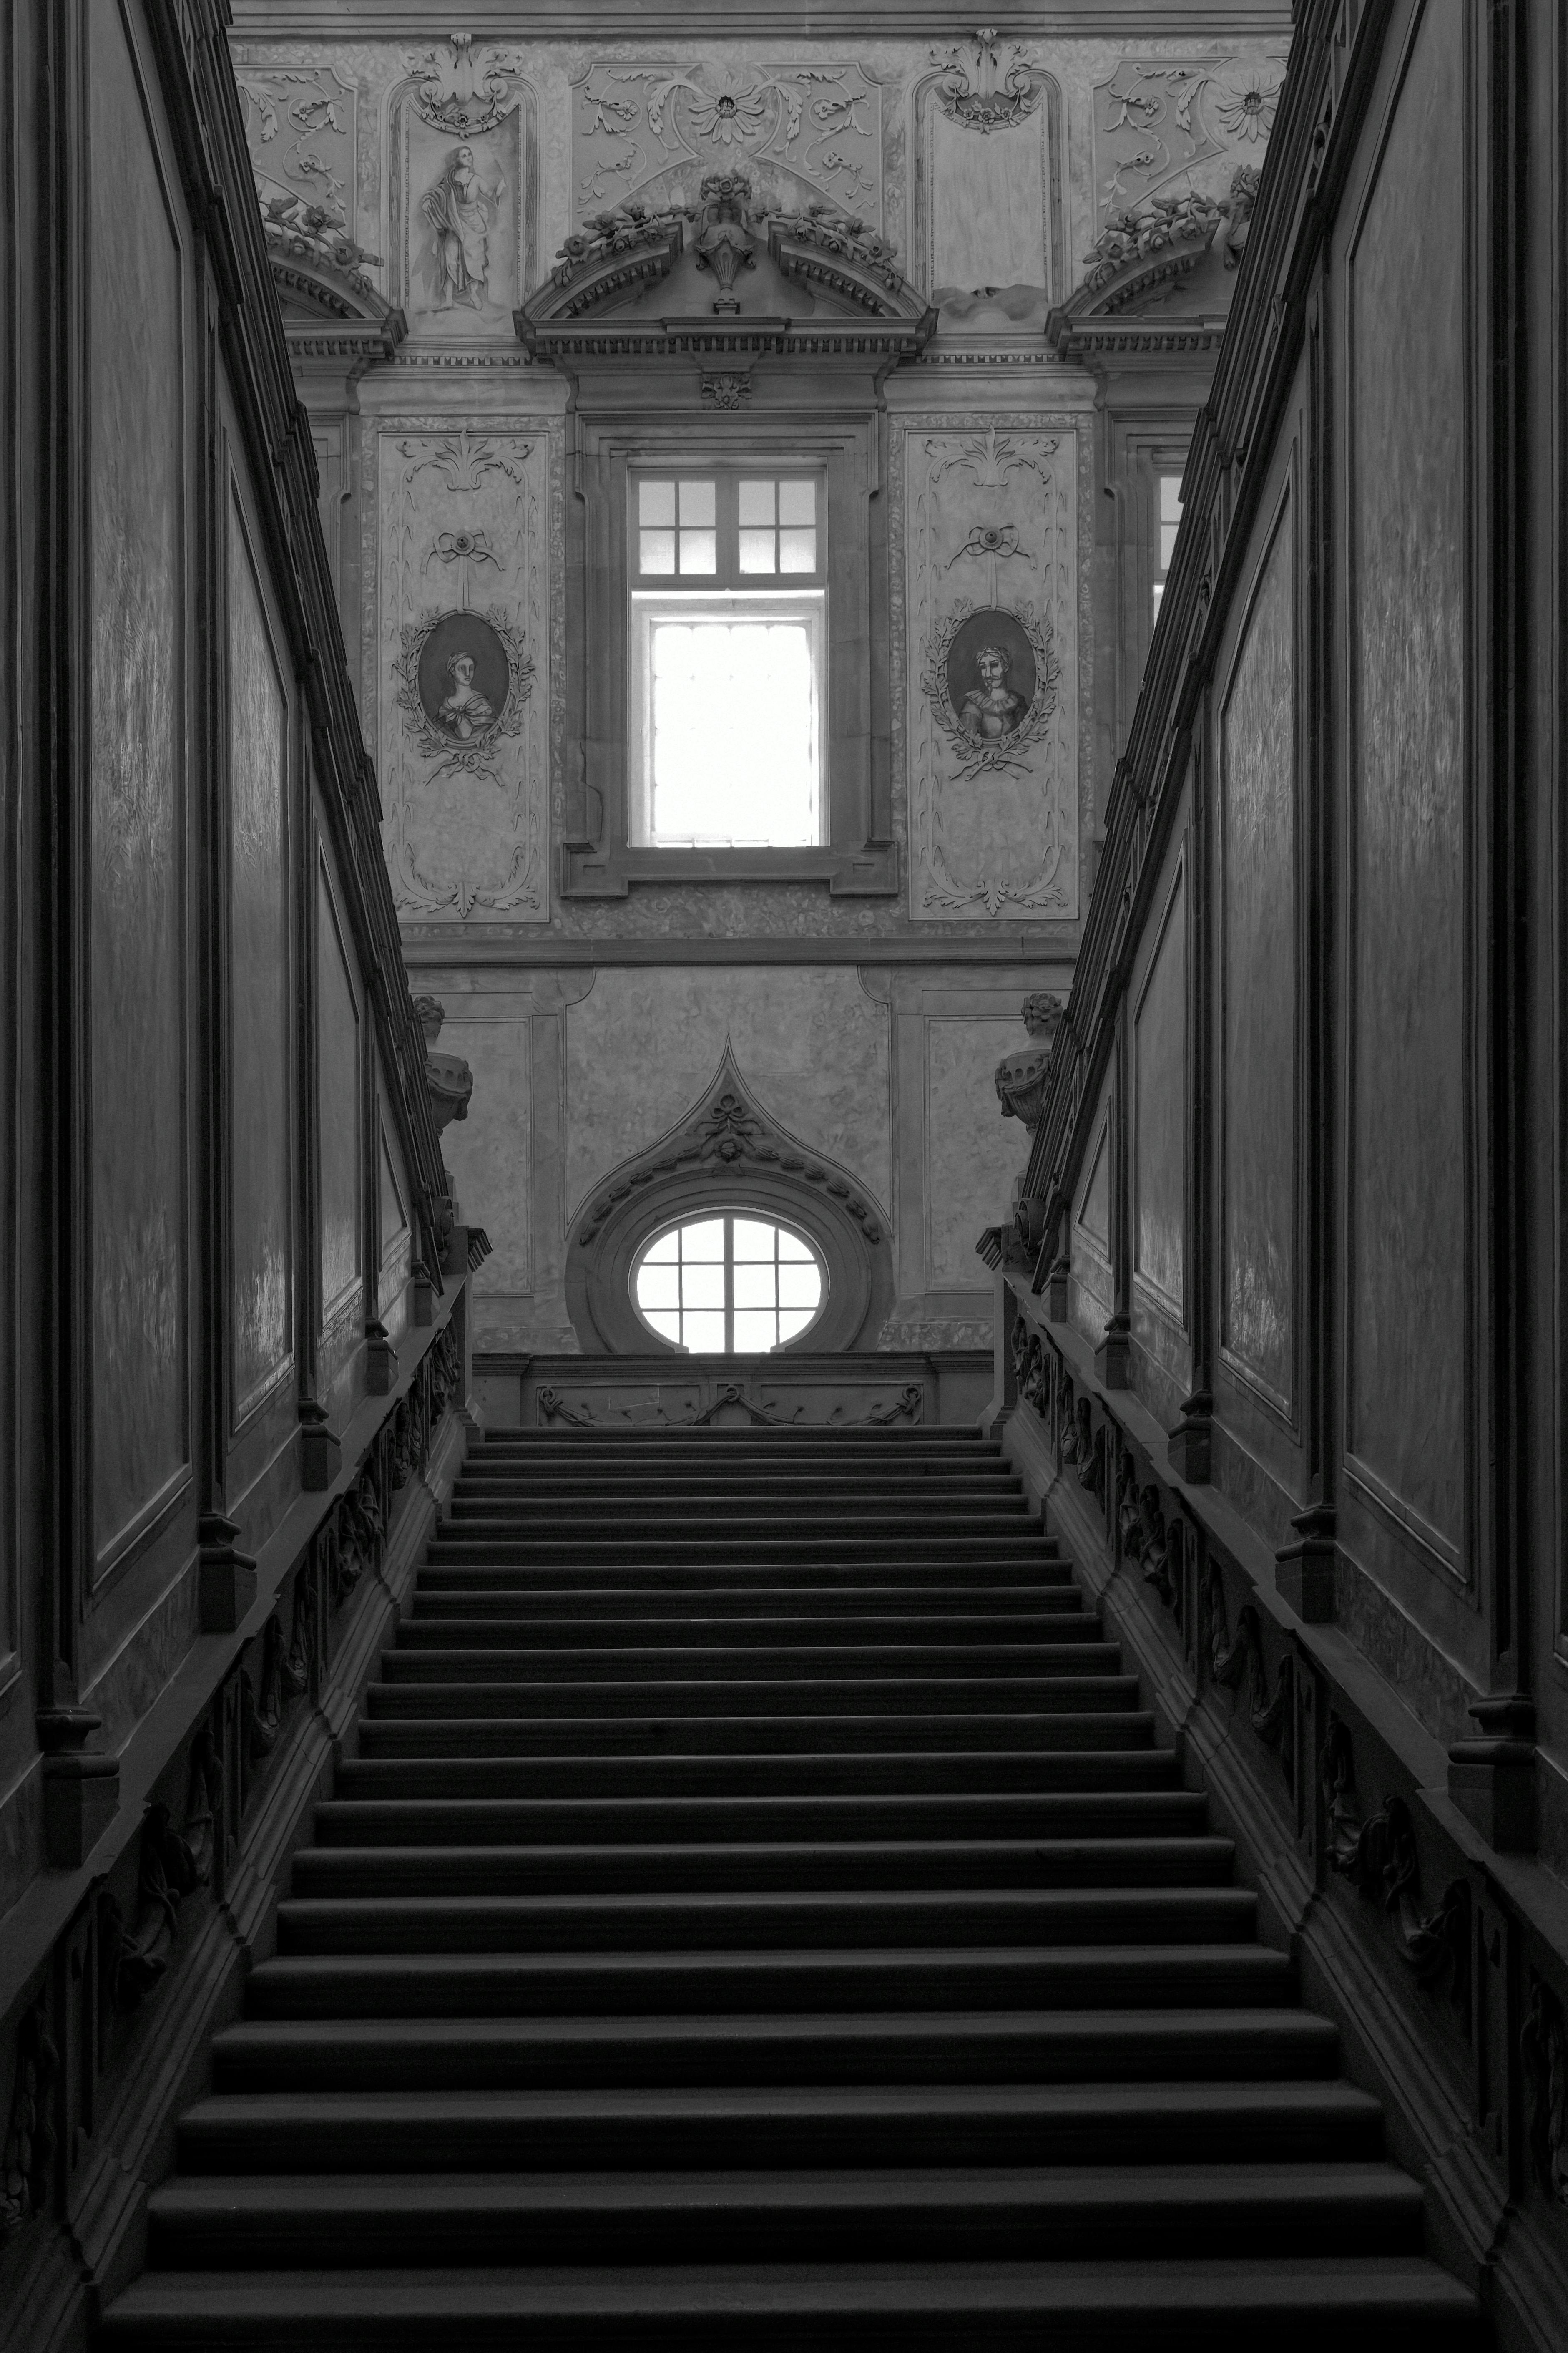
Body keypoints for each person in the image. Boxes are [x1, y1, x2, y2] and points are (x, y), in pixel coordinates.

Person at [422, 144, 497, 310]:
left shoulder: (476, 179)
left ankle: (473, 296)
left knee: (473, 261)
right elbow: (438, 196)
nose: (469, 158)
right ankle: (448, 299)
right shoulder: (449, 179)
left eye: (470, 154)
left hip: (474, 225)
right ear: (457, 160)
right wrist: (429, 204)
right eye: (464, 155)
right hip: (454, 223)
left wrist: (502, 188)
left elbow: (492, 194)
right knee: (451, 259)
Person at [958, 643, 1022, 739]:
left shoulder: (1019, 703)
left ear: (1006, 666)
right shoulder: (972, 706)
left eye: (994, 665)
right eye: (983, 667)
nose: (988, 675)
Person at [437, 649, 494, 738]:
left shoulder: (483, 704)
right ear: (452, 670)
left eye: (471, 669)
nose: (468, 674)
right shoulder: (446, 706)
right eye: (462, 668)